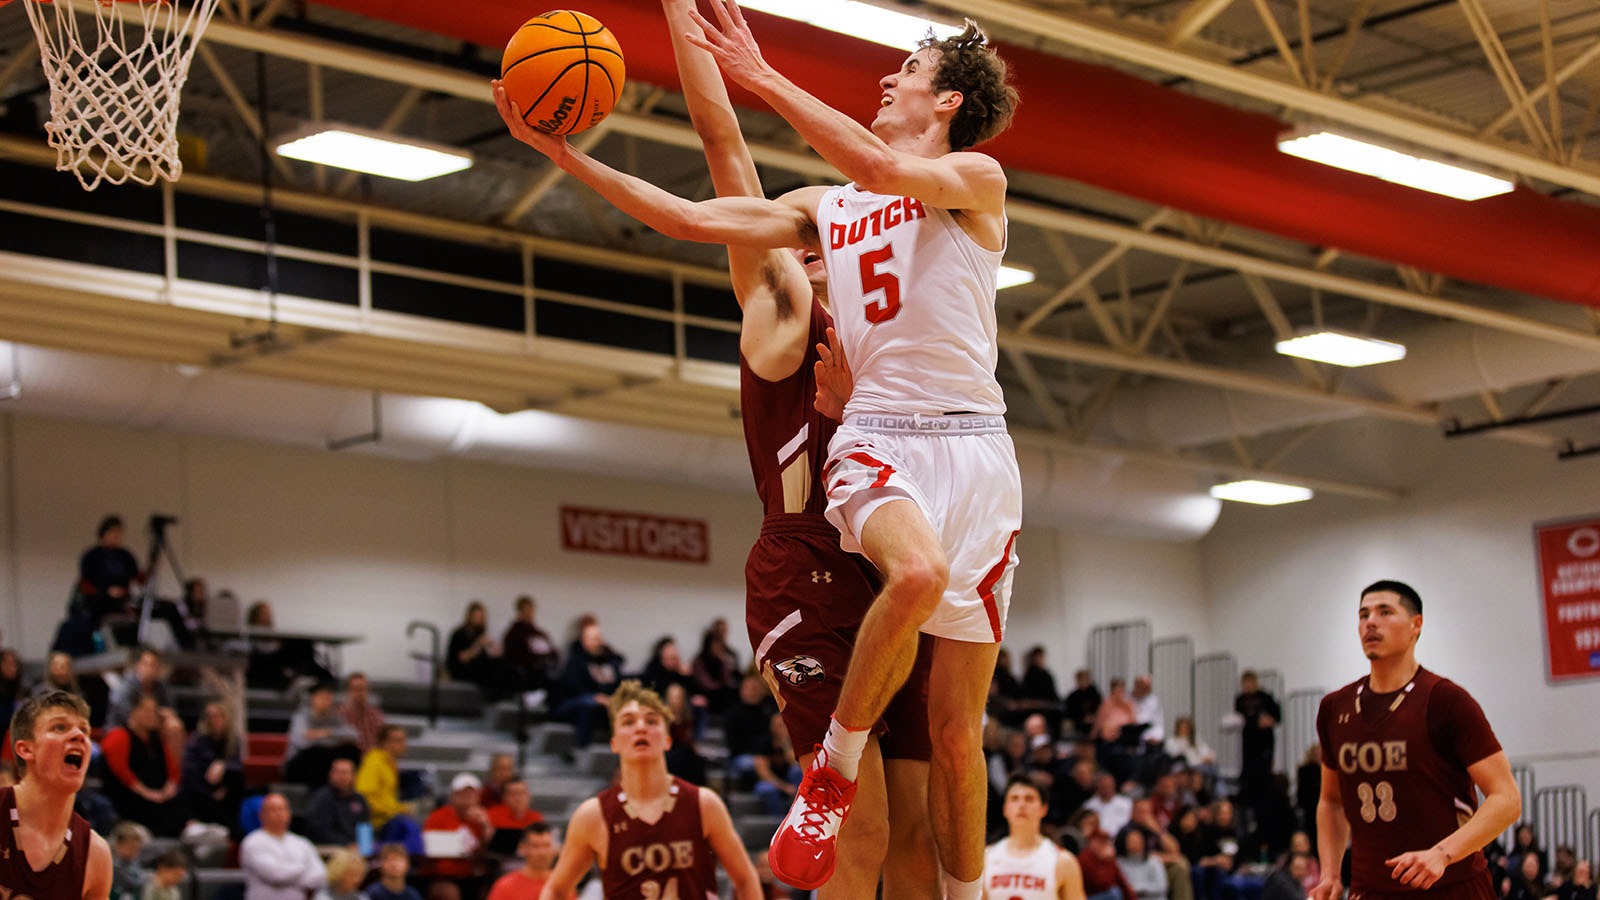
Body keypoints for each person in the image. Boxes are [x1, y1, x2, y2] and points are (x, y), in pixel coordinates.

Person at [496, 1, 1021, 889]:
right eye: (809, 256)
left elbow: (884, 173)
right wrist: (568, 150)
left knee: (923, 807)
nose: (816, 265)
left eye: (908, 69)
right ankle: (829, 778)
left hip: (929, 499)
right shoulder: (789, 293)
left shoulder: (944, 210)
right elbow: (713, 171)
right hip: (813, 555)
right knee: (863, 826)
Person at [1311, 580, 1521, 900]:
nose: (1370, 622)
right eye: (1364, 614)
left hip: (1450, 887)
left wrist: (1442, 854)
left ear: (1415, 625)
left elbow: (1507, 799)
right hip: (1371, 889)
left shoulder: (1446, 700)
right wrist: (1330, 873)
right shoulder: (1334, 708)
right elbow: (1332, 801)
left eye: (1385, 612)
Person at [539, 680, 762, 899]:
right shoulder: (593, 815)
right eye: (628, 722)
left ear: (667, 740)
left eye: (651, 721)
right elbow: (555, 890)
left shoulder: (704, 804)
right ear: (614, 742)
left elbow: (746, 879)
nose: (641, 727)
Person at [3, 691, 114, 898]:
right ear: (26, 750)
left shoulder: (94, 853)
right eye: (59, 727)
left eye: (84, 729)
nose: (79, 735)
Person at [983, 774, 1086, 900]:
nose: (1021, 804)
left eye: (1029, 799)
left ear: (1044, 809)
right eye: (1014, 799)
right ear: (1005, 809)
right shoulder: (986, 858)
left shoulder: (1063, 861)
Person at [100, 692, 185, 836]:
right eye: (147, 711)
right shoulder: (119, 736)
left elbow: (173, 770)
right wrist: (148, 793)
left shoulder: (156, 741)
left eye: (154, 711)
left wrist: (169, 788)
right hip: (129, 803)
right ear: (134, 712)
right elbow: (121, 772)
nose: (152, 715)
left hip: (159, 800)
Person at [240, 792, 327, 900]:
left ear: (289, 813)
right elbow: (276, 875)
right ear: (261, 815)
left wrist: (292, 875)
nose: (278, 813)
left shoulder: (302, 842)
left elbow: (320, 875)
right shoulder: (253, 841)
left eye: (282, 809)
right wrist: (304, 869)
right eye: (273, 810)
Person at [356, 724, 424, 855]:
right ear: (384, 743)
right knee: (409, 828)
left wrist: (399, 808)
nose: (403, 744)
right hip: (377, 823)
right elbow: (364, 797)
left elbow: (387, 798)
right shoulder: (374, 763)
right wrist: (396, 810)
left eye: (404, 740)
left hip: (388, 819)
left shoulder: (389, 763)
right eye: (398, 740)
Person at [555, 620, 623, 748]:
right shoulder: (576, 661)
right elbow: (573, 688)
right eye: (591, 639)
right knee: (587, 706)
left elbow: (618, 685)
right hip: (576, 702)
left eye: (597, 638)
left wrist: (612, 699)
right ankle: (583, 749)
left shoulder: (610, 661)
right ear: (583, 641)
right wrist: (597, 698)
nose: (595, 642)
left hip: (606, 703)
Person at [180, 699, 244, 829]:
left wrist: (224, 765)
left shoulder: (233, 741)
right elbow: (190, 775)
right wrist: (209, 793)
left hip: (225, 795)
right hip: (201, 795)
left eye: (219, 716)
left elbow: (239, 768)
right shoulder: (197, 742)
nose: (215, 721)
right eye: (211, 717)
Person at [284, 682, 362, 787]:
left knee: (351, 750)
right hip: (298, 766)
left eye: (328, 698)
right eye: (322, 698)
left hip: (324, 762)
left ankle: (348, 788)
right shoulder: (301, 717)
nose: (326, 702)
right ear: (313, 699)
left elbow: (353, 735)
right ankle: (318, 792)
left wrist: (325, 733)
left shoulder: (335, 718)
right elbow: (301, 742)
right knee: (317, 753)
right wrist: (334, 739)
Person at [1235, 670, 1281, 818]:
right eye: (1245, 683)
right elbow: (1240, 719)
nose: (1248, 686)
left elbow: (1276, 717)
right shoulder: (1240, 700)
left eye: (1250, 683)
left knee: (1263, 775)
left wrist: (1267, 721)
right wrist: (1256, 721)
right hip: (1248, 743)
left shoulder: (1265, 697)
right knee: (1248, 774)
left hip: (1264, 743)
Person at [485, 823, 572, 900]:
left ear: (555, 849)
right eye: (535, 846)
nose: (541, 852)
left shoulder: (563, 885)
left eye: (546, 846)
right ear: (522, 848)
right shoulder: (505, 886)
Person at [302, 757, 370, 850]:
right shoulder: (321, 798)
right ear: (330, 774)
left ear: (353, 776)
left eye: (344, 773)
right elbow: (318, 831)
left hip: (355, 847)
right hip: (327, 846)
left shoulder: (359, 799)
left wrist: (365, 847)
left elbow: (364, 826)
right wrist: (345, 844)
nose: (340, 776)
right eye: (336, 772)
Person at [500, 595, 559, 698]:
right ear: (520, 613)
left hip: (544, 671)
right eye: (526, 611)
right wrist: (534, 661)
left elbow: (552, 652)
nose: (529, 614)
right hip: (526, 675)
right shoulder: (513, 634)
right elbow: (513, 657)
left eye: (531, 611)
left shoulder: (539, 634)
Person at [446, 600, 501, 695]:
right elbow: (462, 658)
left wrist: (494, 647)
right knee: (490, 670)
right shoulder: (460, 634)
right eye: (477, 617)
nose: (479, 620)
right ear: (470, 617)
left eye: (481, 617)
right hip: (462, 670)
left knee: (500, 665)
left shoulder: (479, 632)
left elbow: (491, 654)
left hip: (477, 668)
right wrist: (478, 645)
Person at [338, 671, 386, 754]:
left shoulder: (376, 715)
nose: (360, 693)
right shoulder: (339, 714)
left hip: (370, 757)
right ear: (349, 691)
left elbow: (381, 742)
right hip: (348, 757)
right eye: (356, 689)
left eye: (363, 689)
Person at [1063, 669, 1103, 739]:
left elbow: (1100, 708)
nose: (1083, 682)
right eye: (1081, 680)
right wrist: (1083, 718)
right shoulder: (1073, 696)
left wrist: (1093, 717)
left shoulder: (1095, 694)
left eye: (1085, 679)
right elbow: (1070, 711)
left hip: (1095, 721)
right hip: (1079, 722)